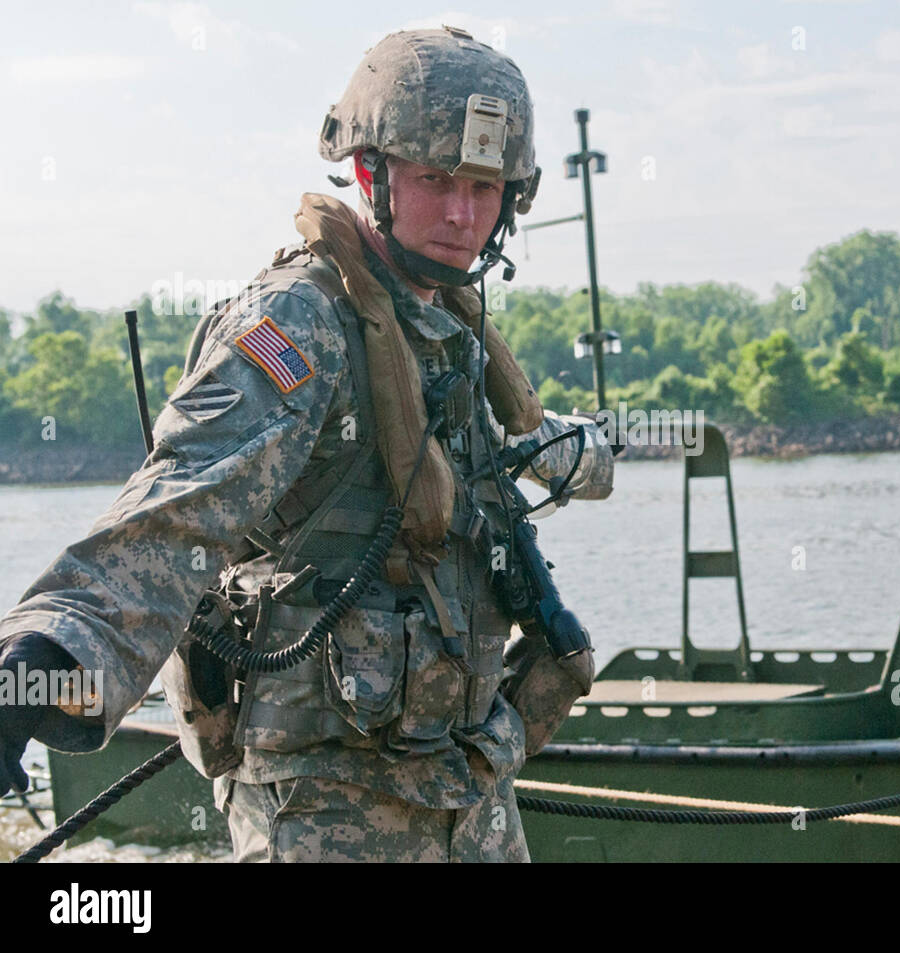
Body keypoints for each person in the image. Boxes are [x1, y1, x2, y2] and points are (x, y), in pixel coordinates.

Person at [0, 26, 614, 862]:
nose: (464, 213)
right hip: (327, 810)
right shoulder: (301, 321)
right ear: (371, 174)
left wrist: (584, 452)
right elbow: (180, 505)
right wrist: (43, 656)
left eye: (484, 185)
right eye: (436, 179)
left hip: (468, 795)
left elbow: (513, 469)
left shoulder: (448, 330)